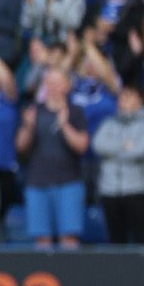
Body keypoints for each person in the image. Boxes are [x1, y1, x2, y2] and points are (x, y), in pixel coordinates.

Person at [15, 67, 90, 249]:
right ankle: (43, 278)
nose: (52, 86)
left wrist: (64, 124)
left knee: (69, 238)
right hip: (38, 183)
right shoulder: (33, 111)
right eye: (48, 82)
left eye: (57, 82)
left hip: (69, 182)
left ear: (67, 86)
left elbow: (82, 146)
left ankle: (71, 277)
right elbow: (20, 147)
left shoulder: (76, 112)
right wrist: (28, 126)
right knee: (42, 240)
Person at [91, 85, 144, 244]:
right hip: (109, 189)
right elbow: (98, 145)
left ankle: (142, 270)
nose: (124, 100)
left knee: (142, 238)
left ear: (140, 100)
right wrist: (124, 146)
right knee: (116, 239)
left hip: (137, 189)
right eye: (122, 96)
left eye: (129, 96)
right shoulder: (108, 123)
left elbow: (142, 150)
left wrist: (112, 150)